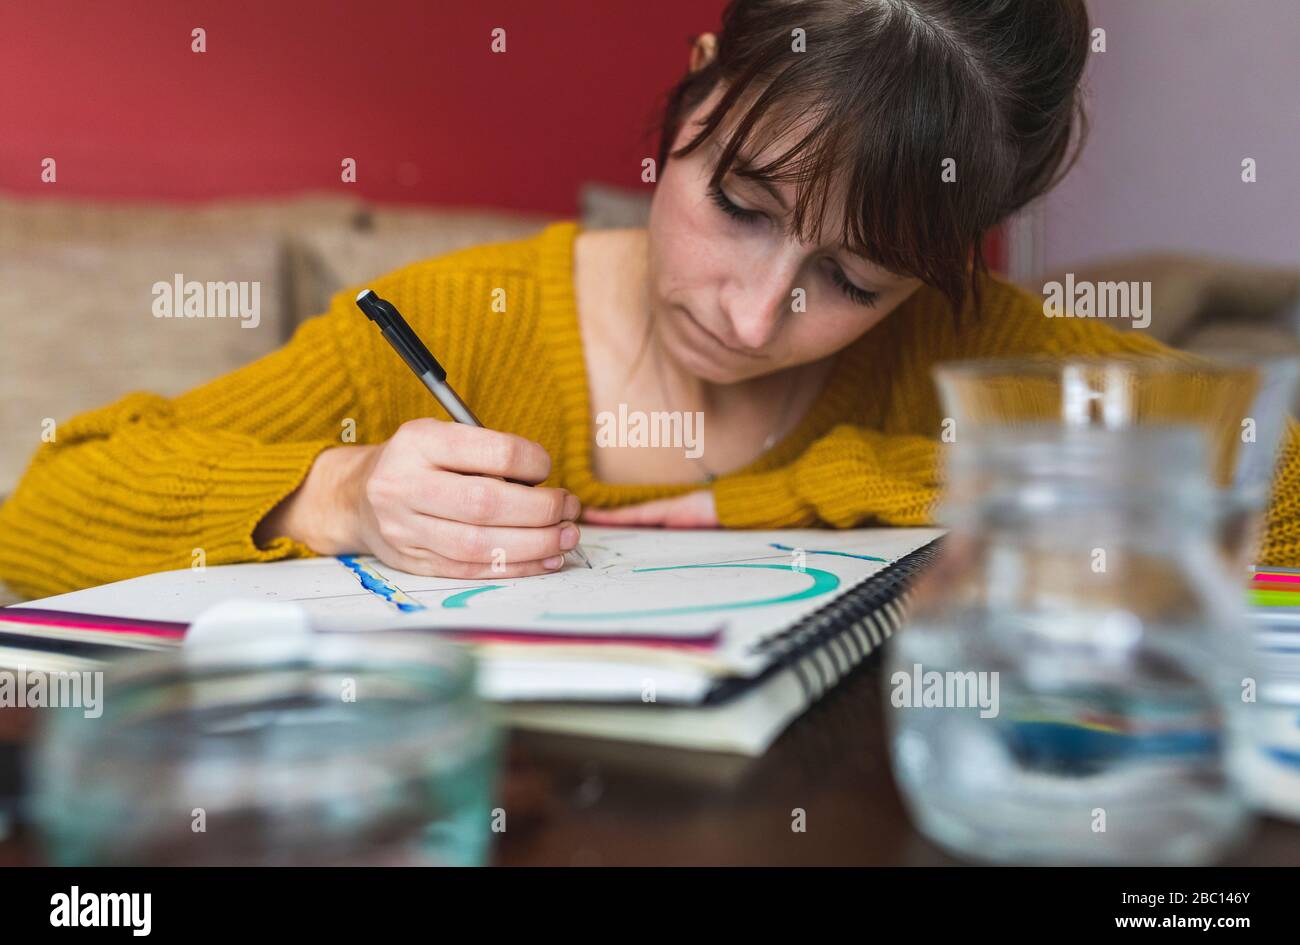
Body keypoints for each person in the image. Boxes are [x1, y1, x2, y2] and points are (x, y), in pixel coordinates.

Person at [2, 0, 1297, 600]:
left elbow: (1279, 495)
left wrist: (848, 486)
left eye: (849, 280)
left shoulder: (973, 350)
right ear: (696, 89)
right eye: (740, 207)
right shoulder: (458, 321)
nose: (750, 319)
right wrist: (328, 494)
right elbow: (38, 518)